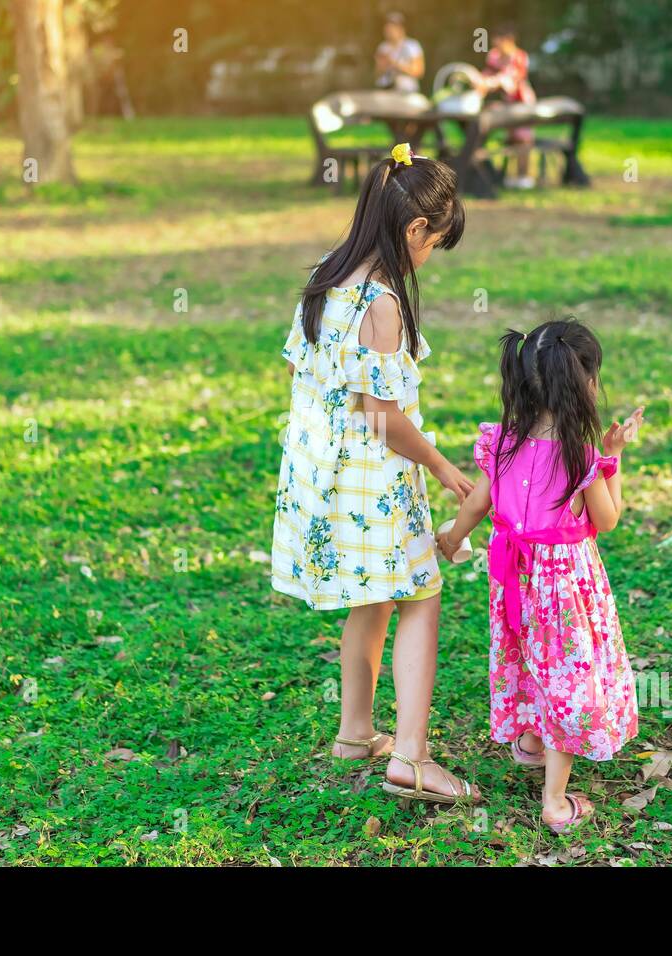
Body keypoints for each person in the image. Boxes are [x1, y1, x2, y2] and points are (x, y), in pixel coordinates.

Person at [271, 144, 478, 805]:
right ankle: (412, 759)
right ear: (416, 229)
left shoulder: (326, 280)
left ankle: (355, 734)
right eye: (434, 243)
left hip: (324, 479)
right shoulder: (381, 303)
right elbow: (385, 418)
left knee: (375, 597)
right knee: (420, 594)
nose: (428, 259)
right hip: (371, 482)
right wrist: (444, 467)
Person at [437, 320, 644, 831]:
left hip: (515, 579)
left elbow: (478, 505)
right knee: (566, 676)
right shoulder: (581, 457)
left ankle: (531, 742)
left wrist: (449, 538)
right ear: (583, 384)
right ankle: (555, 801)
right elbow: (607, 521)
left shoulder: (502, 441)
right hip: (565, 590)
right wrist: (613, 458)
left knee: (527, 658)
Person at [482, 24, 537, 189]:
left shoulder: (519, 57)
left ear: (509, 40)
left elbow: (513, 79)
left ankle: (523, 176)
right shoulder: (494, 56)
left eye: (499, 41)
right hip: (507, 104)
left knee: (523, 138)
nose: (496, 44)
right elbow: (487, 74)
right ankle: (498, 172)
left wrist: (494, 81)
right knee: (508, 138)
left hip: (522, 103)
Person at [374, 13, 424, 93]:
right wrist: (383, 64)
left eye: (393, 27)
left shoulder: (412, 45)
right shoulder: (382, 47)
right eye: (388, 28)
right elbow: (377, 74)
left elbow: (418, 71)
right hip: (386, 90)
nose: (389, 31)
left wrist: (396, 64)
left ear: (401, 29)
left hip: (407, 91)